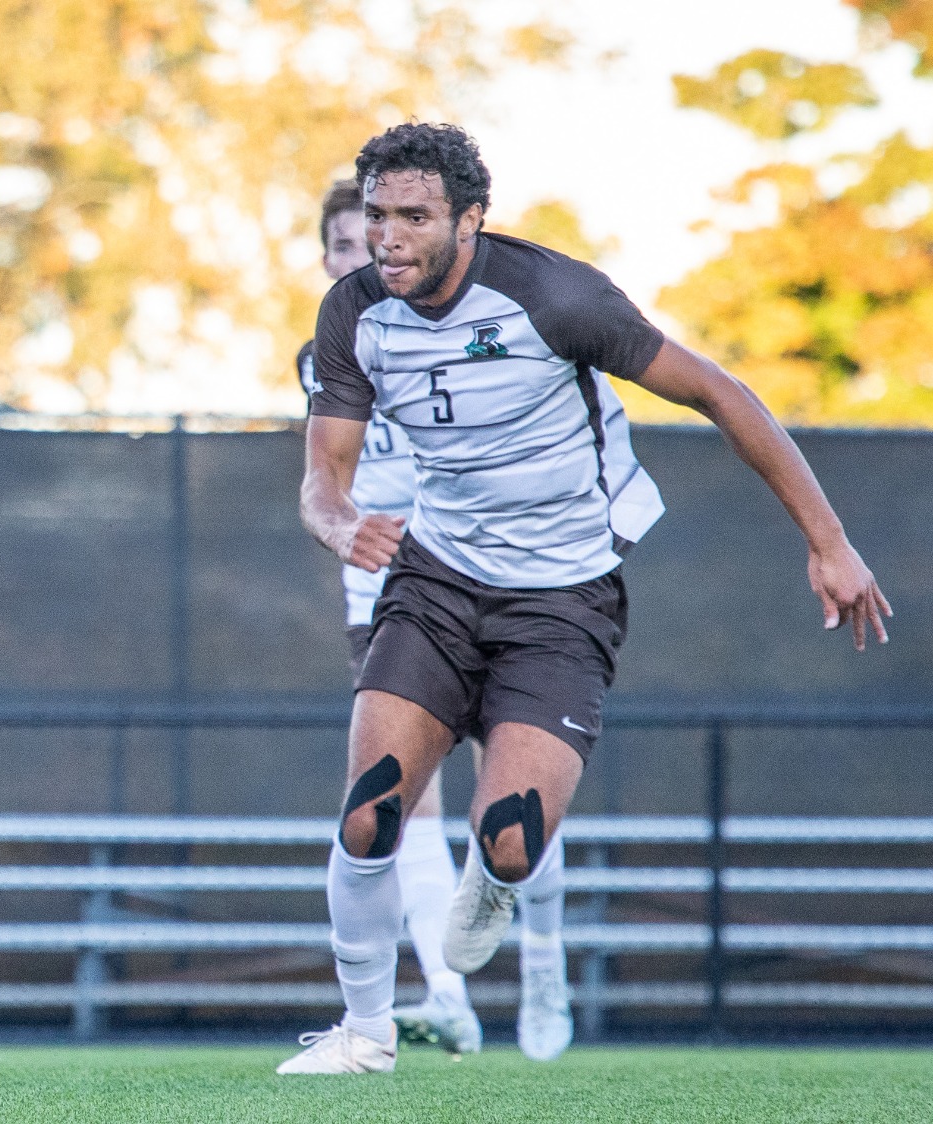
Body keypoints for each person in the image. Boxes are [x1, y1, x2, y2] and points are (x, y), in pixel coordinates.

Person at [278, 123, 889, 1075]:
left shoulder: (555, 296)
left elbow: (721, 392)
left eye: (415, 216)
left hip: (560, 598)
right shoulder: (352, 312)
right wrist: (336, 524)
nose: (388, 237)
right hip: (435, 582)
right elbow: (324, 478)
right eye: (376, 215)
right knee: (369, 813)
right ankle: (366, 1035)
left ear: (471, 220)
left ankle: (500, 890)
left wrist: (829, 540)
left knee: (511, 845)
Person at [298, 180, 481, 1057]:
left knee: (512, 798)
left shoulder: (474, 329)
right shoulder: (331, 352)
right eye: (344, 241)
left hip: (493, 584)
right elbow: (331, 477)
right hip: (387, 600)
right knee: (398, 807)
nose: (364, 252)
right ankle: (444, 997)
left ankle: (527, 968)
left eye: (378, 234)